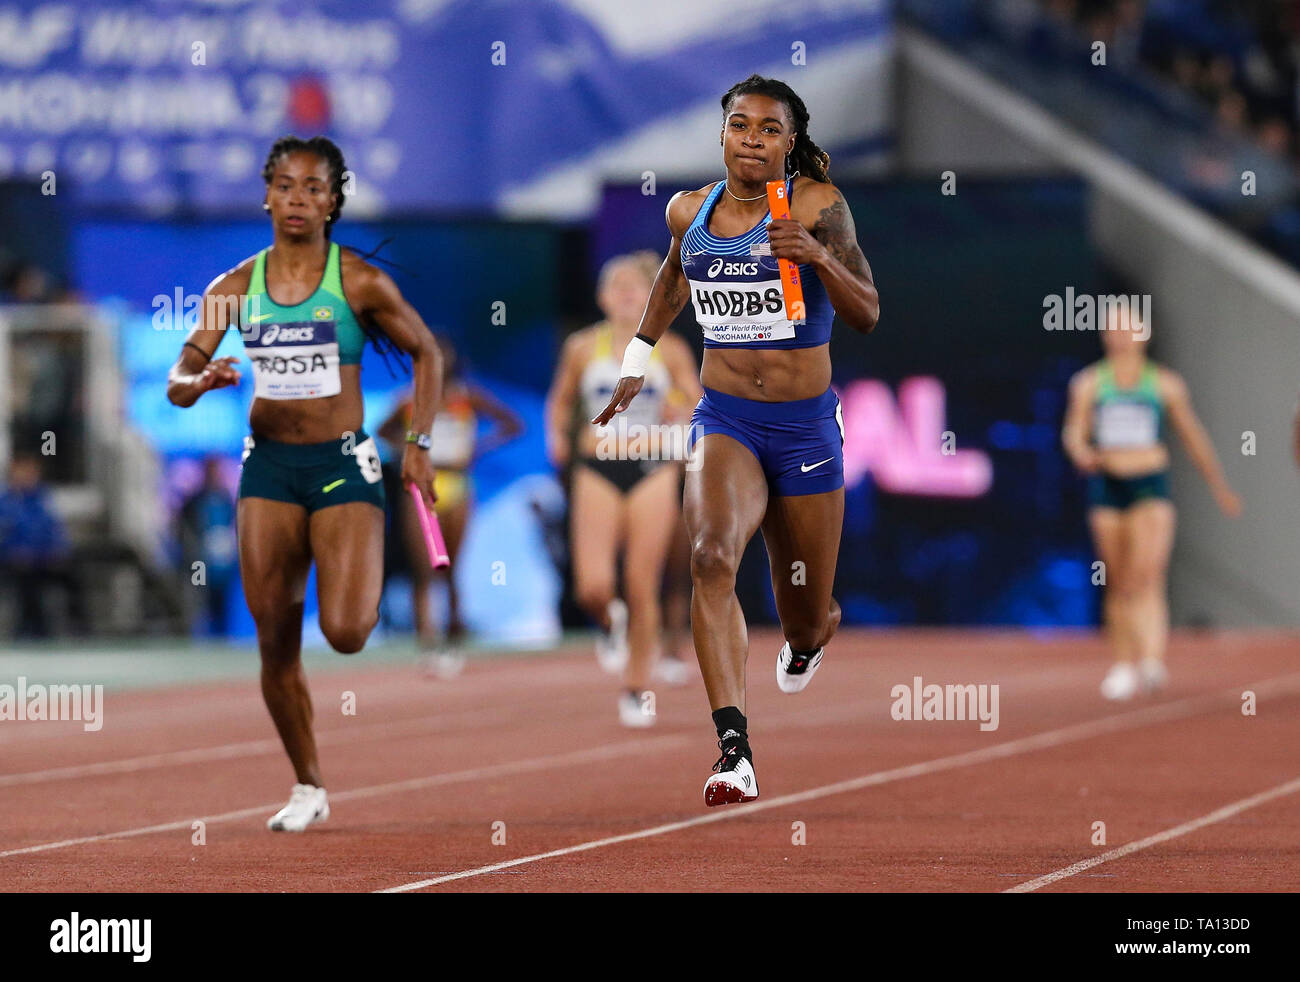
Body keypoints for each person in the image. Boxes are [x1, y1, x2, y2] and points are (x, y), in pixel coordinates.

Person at [593, 76, 879, 803]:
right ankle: (733, 750)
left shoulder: (818, 206)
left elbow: (869, 311)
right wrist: (636, 359)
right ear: (722, 133)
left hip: (807, 426)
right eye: (741, 125)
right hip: (726, 421)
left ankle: (814, 634)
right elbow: (671, 278)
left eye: (770, 129)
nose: (753, 138)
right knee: (710, 556)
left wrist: (815, 258)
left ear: (790, 141)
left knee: (803, 613)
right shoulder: (688, 210)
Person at [167, 135, 441, 832]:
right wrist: (200, 381)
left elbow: (427, 353)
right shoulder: (235, 288)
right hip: (268, 470)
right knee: (275, 639)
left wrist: (418, 444)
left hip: (342, 464)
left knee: (347, 632)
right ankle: (307, 783)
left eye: (313, 188)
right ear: (266, 194)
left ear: (333, 201)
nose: (298, 199)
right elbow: (179, 379)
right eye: (286, 185)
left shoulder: (357, 283)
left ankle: (361, 595)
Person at [547, 251, 702, 726]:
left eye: (637, 287)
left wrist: (682, 409)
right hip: (598, 464)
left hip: (652, 467)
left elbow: (698, 401)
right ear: (602, 297)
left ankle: (636, 688)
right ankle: (610, 622)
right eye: (618, 288)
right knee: (593, 584)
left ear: (652, 296)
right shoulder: (582, 347)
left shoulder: (670, 349)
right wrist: (557, 438)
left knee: (642, 582)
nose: (627, 296)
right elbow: (561, 400)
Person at [1062, 302, 1241, 701]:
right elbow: (1074, 431)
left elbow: (1192, 436)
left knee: (1146, 573)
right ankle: (1125, 663)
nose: (1120, 336)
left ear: (1143, 334)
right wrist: (1080, 453)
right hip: (1108, 485)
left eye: (1128, 329)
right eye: (1113, 329)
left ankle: (1151, 658)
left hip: (1149, 485)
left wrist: (1219, 485)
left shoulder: (1164, 384)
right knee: (1118, 578)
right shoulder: (1090, 383)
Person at [378, 333, 523, 670]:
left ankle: (455, 636)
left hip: (456, 485)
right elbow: (383, 432)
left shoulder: (466, 398)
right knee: (424, 568)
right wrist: (409, 451)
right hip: (421, 488)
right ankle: (428, 643)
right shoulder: (408, 401)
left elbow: (512, 424)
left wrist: (478, 448)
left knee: (451, 569)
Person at [0, 453, 69, 638]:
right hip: (13, 563)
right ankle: (23, 631)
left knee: (57, 583)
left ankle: (49, 631)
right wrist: (11, 551)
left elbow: (54, 529)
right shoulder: (5, 502)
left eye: (31, 472)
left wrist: (57, 549)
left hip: (42, 561)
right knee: (24, 587)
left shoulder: (43, 500)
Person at [178, 455, 238, 636]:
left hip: (222, 565)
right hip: (199, 563)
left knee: (222, 603)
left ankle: (222, 638)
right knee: (199, 600)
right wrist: (193, 551)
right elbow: (184, 530)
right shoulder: (194, 501)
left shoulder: (225, 499)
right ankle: (199, 637)